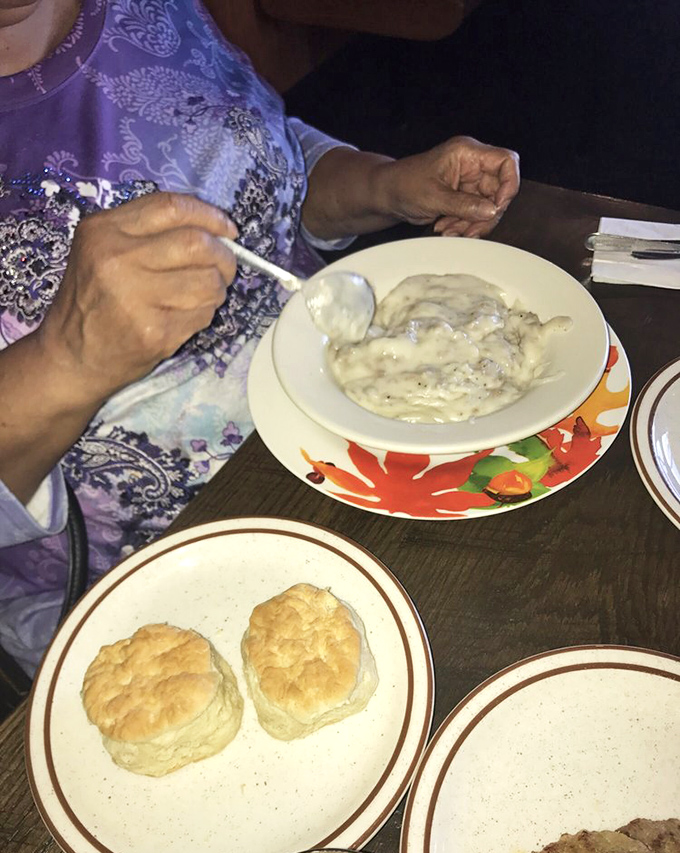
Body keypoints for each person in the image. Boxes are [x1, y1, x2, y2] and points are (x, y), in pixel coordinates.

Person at [0, 0, 520, 676]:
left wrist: (385, 185)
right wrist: (65, 360)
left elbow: (253, 153)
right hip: (167, 605)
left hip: (354, 438)